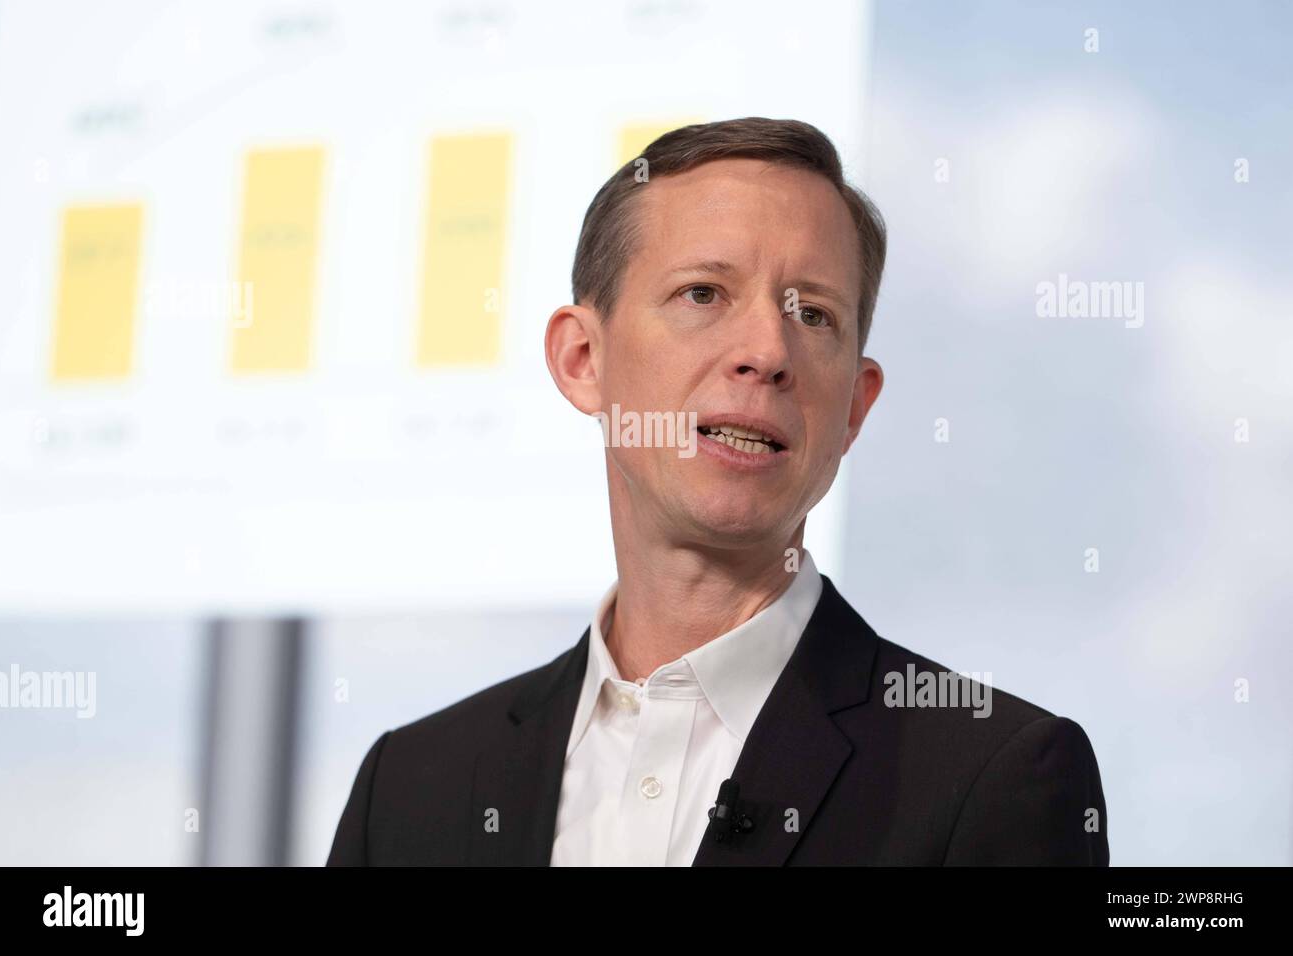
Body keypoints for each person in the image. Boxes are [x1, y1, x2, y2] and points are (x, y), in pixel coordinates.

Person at [327, 117, 1109, 866]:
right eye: (703, 293)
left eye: (814, 315)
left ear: (854, 408)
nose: (768, 351)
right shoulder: (408, 789)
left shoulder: (997, 779)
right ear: (581, 359)